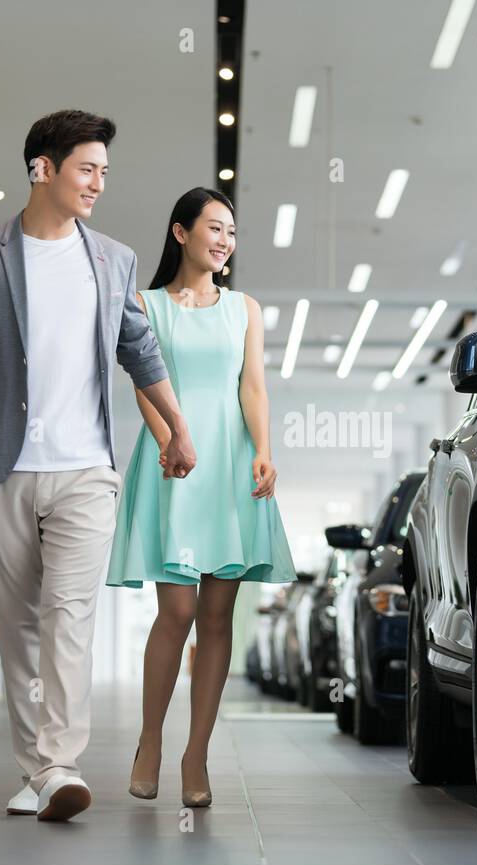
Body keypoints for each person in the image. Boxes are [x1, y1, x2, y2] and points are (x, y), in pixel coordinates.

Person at [0, 109, 196, 823]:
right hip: (1, 469)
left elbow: (141, 351)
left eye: (104, 170)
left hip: (86, 470)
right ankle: (37, 770)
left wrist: (177, 426)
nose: (98, 182)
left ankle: (61, 764)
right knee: (19, 627)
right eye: (86, 168)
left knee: (69, 616)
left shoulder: (113, 259)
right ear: (43, 167)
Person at [107, 187, 297, 808]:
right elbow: (144, 383)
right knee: (178, 612)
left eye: (233, 233)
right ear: (181, 232)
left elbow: (254, 388)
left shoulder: (245, 309)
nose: (224, 241)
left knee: (218, 617)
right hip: (174, 463)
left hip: (233, 465)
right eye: (214, 228)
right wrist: (170, 441)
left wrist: (264, 447)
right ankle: (151, 740)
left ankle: (197, 755)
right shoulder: (146, 305)